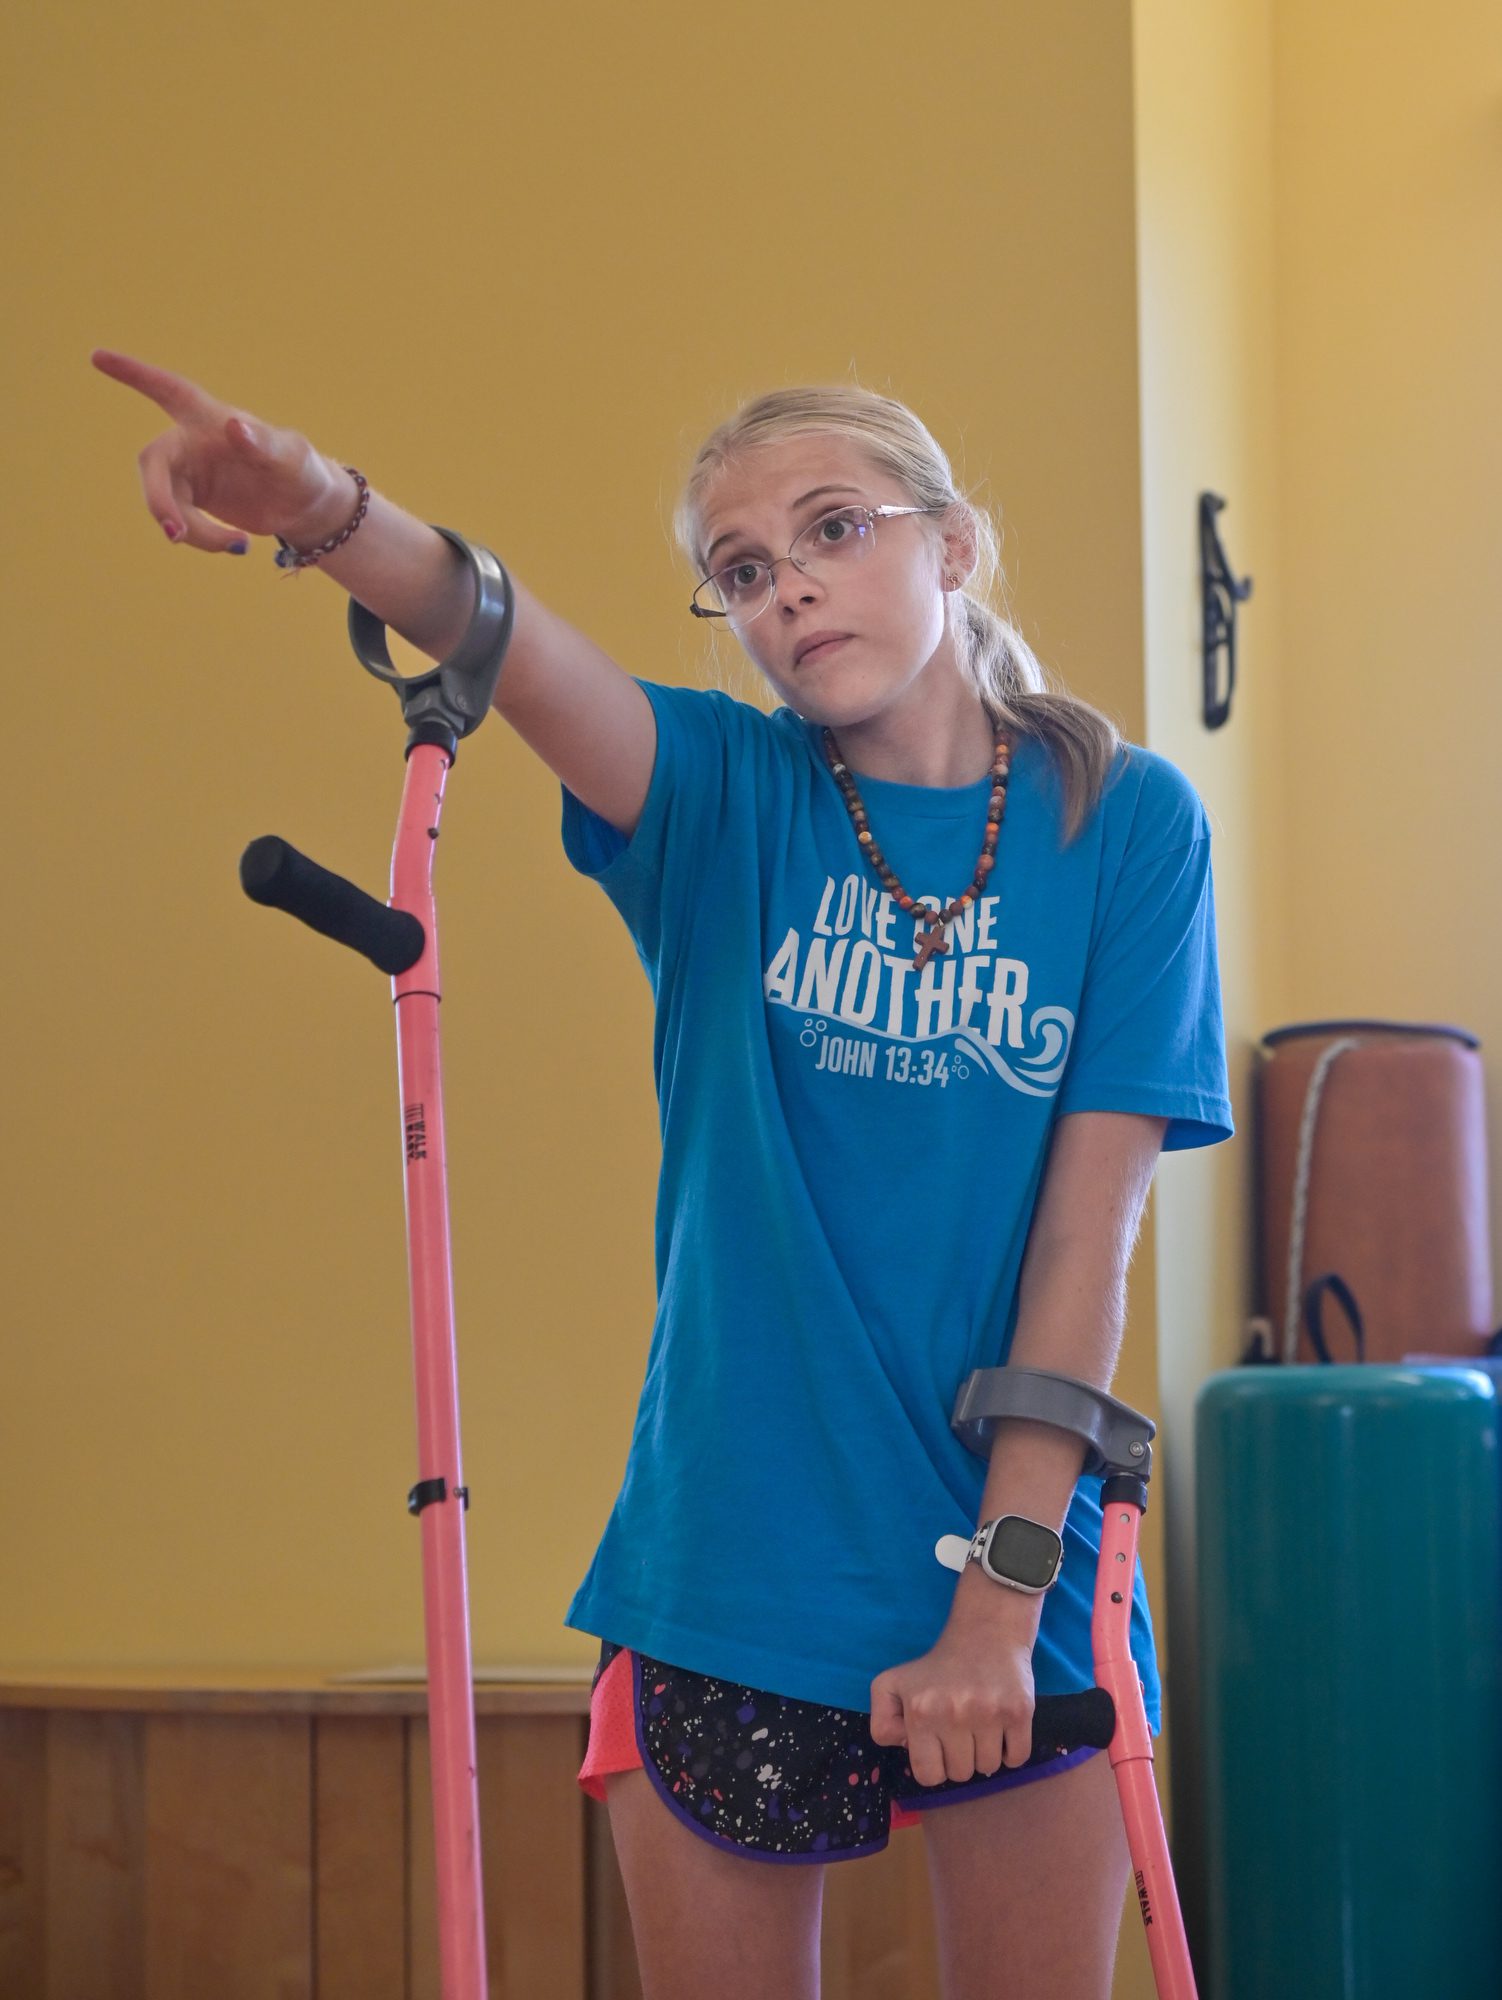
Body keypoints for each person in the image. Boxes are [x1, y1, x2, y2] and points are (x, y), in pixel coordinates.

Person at [94, 349, 1234, 2000]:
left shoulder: (1120, 822)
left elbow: (1086, 1233)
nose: (786, 591)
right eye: (742, 573)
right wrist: (321, 508)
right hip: (729, 1572)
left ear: (954, 545)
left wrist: (999, 1599)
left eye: (831, 531)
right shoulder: (714, 791)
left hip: (1018, 1568)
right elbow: (502, 635)